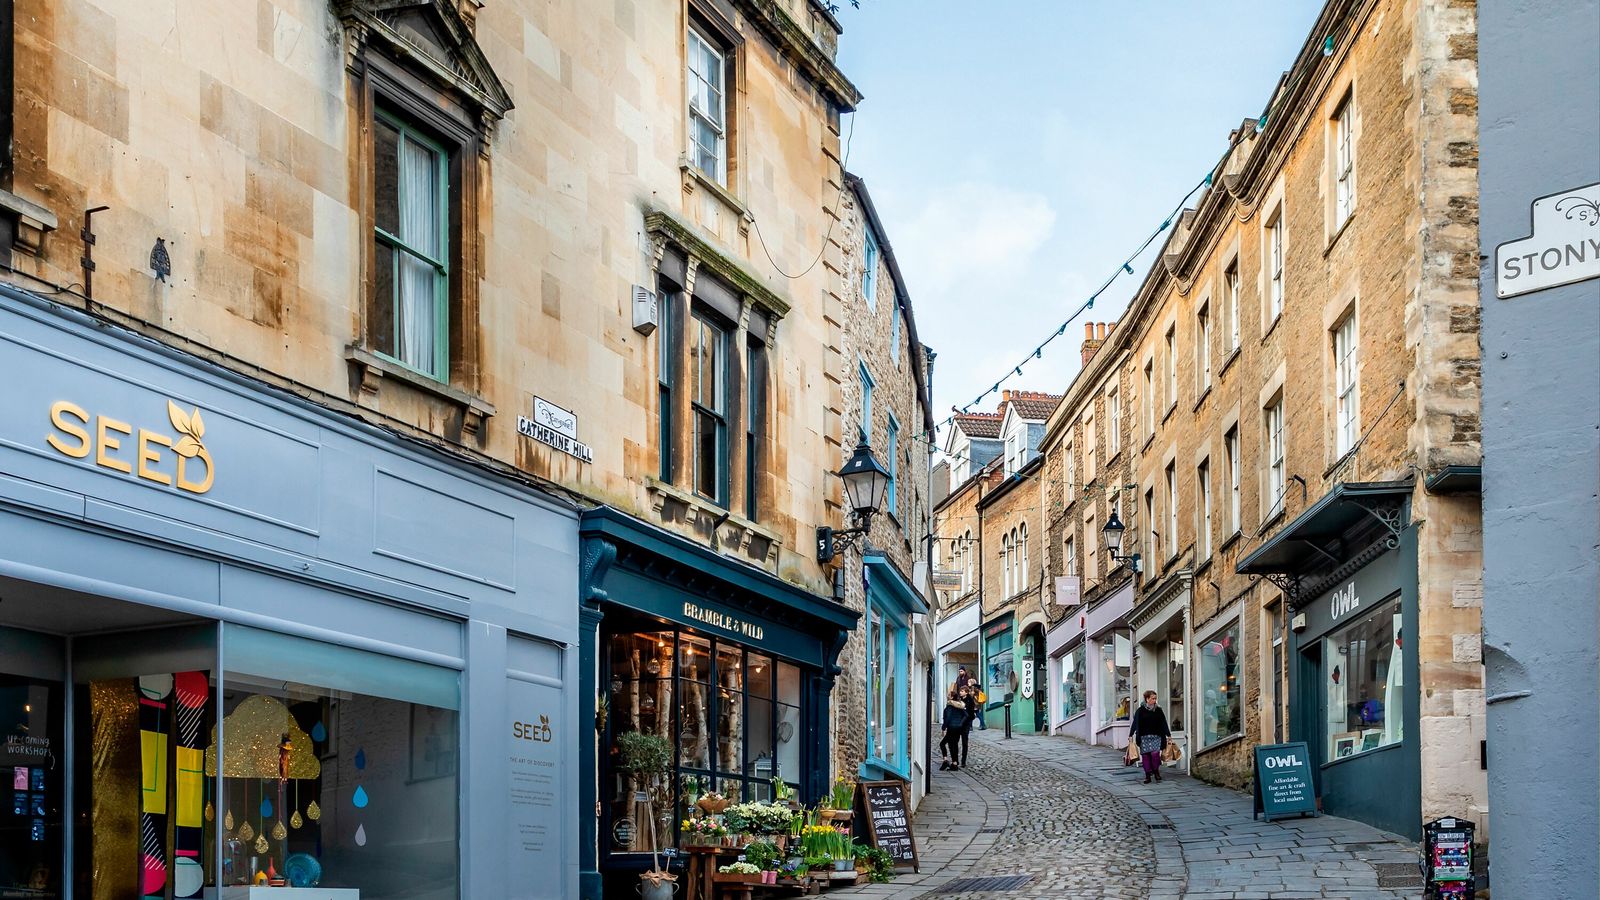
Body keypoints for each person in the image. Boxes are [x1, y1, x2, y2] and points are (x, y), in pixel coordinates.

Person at [1129, 690, 1172, 784]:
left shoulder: (1158, 710)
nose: (1154, 700)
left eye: (1155, 698)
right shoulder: (1140, 711)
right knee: (1145, 756)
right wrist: (1131, 735)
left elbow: (1163, 722)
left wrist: (1168, 735)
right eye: (1152, 698)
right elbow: (1135, 723)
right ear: (1147, 699)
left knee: (1155, 754)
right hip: (1144, 737)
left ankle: (1156, 771)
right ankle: (1147, 775)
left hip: (1156, 736)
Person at [938, 686, 968, 770]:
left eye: (949, 695)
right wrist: (960, 723)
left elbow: (947, 718)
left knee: (943, 744)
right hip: (958, 728)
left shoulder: (950, 706)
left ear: (951, 697)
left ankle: (946, 760)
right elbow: (966, 715)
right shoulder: (959, 705)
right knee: (954, 745)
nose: (947, 695)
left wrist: (943, 728)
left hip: (951, 728)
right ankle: (954, 763)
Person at [958, 684, 978, 767]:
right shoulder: (959, 700)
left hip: (966, 723)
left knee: (964, 742)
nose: (960, 693)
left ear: (966, 692)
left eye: (962, 691)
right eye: (960, 691)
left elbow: (970, 713)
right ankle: (955, 760)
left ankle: (963, 761)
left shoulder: (970, 701)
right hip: (959, 723)